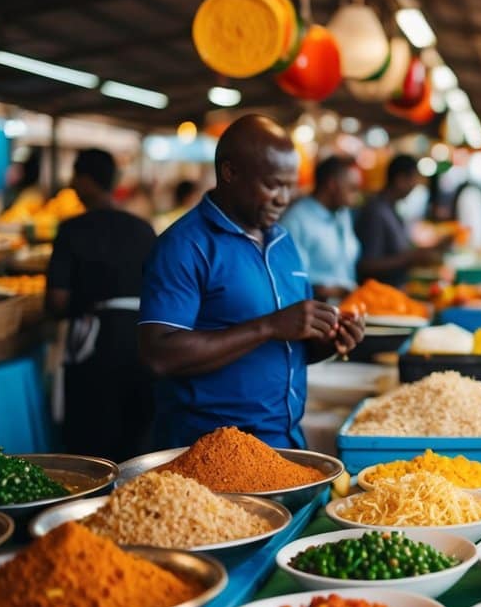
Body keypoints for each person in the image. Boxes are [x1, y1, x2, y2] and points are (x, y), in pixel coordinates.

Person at [138, 115, 364, 449]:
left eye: (290, 185)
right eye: (273, 184)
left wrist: (329, 341)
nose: (283, 198)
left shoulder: (283, 243)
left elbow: (288, 347)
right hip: (208, 453)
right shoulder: (186, 245)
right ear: (230, 173)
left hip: (283, 444)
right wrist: (269, 326)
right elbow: (159, 353)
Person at [46, 148, 157, 462]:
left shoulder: (71, 230)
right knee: (136, 442)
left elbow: (57, 299)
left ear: (84, 180)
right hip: (141, 341)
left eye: (75, 178)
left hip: (95, 348)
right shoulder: (143, 228)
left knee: (90, 445)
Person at [355, 154, 447, 286]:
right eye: (413, 179)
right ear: (400, 179)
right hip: (380, 296)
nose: (415, 185)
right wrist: (411, 257)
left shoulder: (391, 209)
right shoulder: (376, 212)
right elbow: (367, 265)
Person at [279, 155, 361, 301]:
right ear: (332, 185)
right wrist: (335, 291)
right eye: (352, 189)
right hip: (315, 314)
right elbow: (291, 279)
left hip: (346, 310)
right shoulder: (297, 220)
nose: (357, 195)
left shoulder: (343, 214)